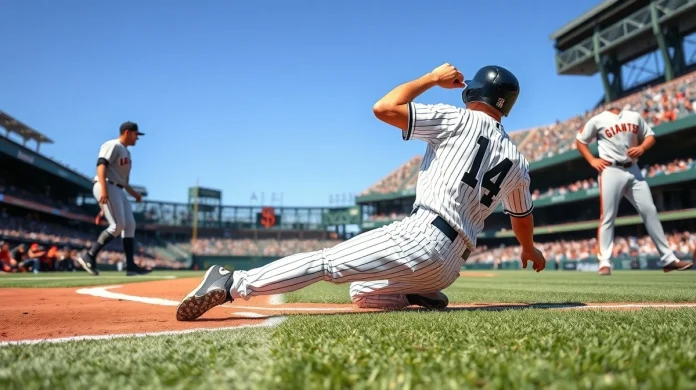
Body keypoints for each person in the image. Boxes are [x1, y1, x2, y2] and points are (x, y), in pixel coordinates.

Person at [176, 63, 547, 321]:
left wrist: (433, 78)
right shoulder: (517, 158)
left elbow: (384, 108)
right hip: (449, 268)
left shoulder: (458, 119)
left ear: (475, 91)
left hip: (422, 237)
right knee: (362, 294)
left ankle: (230, 283)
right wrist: (528, 249)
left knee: (326, 262)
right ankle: (416, 293)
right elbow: (522, 218)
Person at [575, 104, 693, 275]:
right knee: (607, 216)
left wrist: (642, 147)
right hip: (610, 169)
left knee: (650, 211)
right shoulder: (598, 119)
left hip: (633, 169)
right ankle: (604, 262)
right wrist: (592, 160)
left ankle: (668, 259)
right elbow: (580, 140)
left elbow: (650, 136)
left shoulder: (633, 116)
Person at [76, 121, 152, 276]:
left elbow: (122, 181)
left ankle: (130, 266)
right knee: (117, 226)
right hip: (106, 186)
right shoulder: (113, 145)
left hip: (117, 189)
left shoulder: (127, 153)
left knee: (129, 225)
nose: (137, 138)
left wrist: (134, 194)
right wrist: (104, 191)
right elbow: (101, 165)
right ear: (127, 132)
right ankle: (89, 255)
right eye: (135, 134)